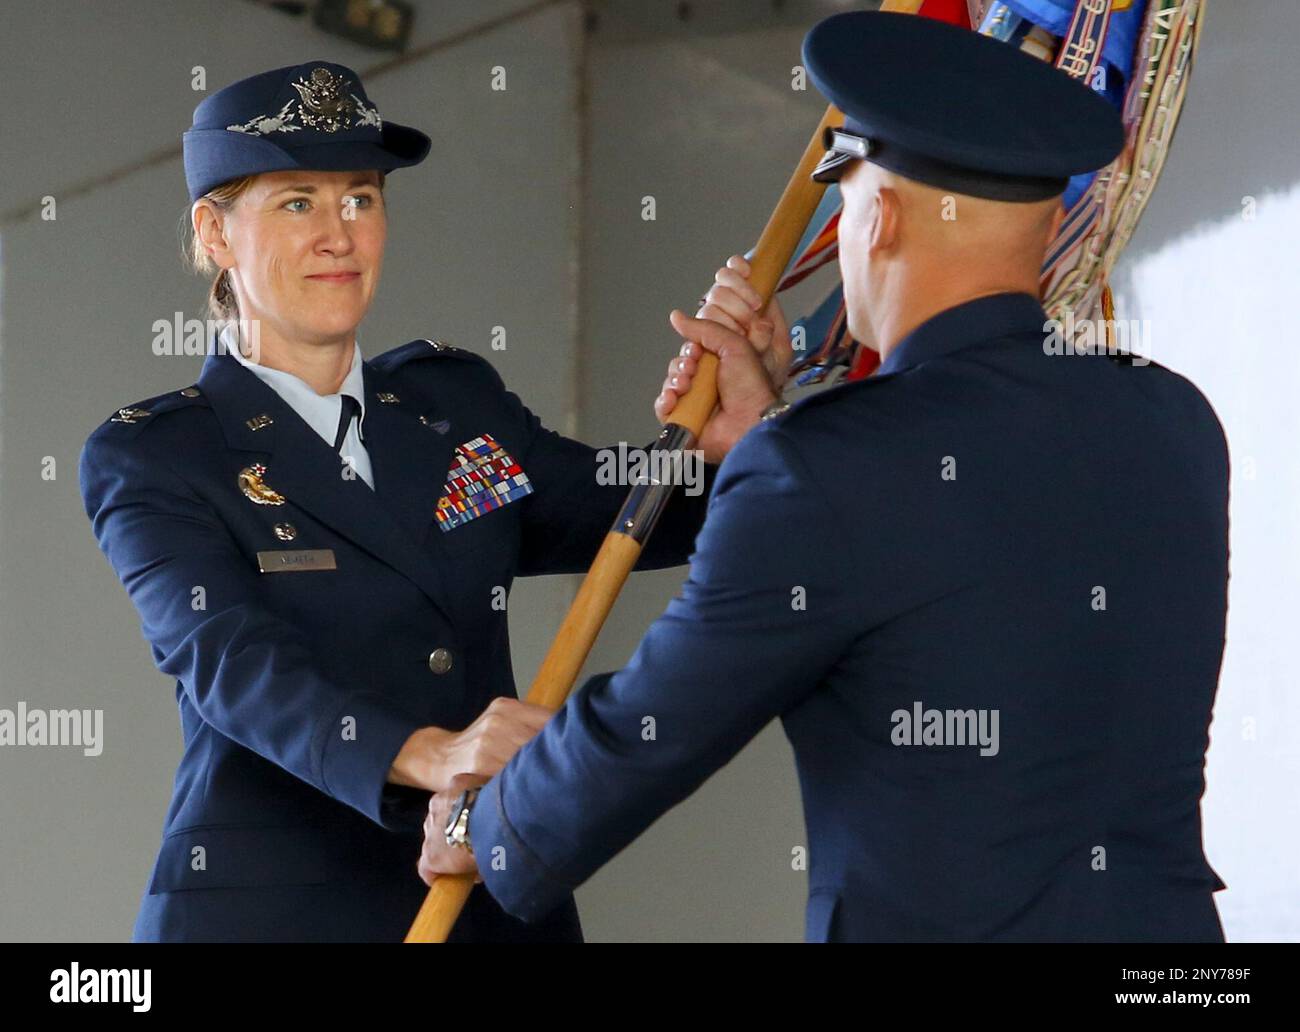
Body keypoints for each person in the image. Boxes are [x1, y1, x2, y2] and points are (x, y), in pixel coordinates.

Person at [418, 10, 1230, 942]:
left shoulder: (827, 469)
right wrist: (768, 431)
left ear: (875, 216)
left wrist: (494, 818)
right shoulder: (1175, 423)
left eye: (845, 201)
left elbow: (657, 726)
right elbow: (965, 555)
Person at [78, 60, 787, 942]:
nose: (339, 234)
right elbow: (232, 664)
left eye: (362, 197)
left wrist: (730, 446)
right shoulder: (158, 454)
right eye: (297, 201)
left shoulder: (452, 409)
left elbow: (631, 514)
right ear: (215, 233)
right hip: (275, 912)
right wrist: (434, 754)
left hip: (483, 908)